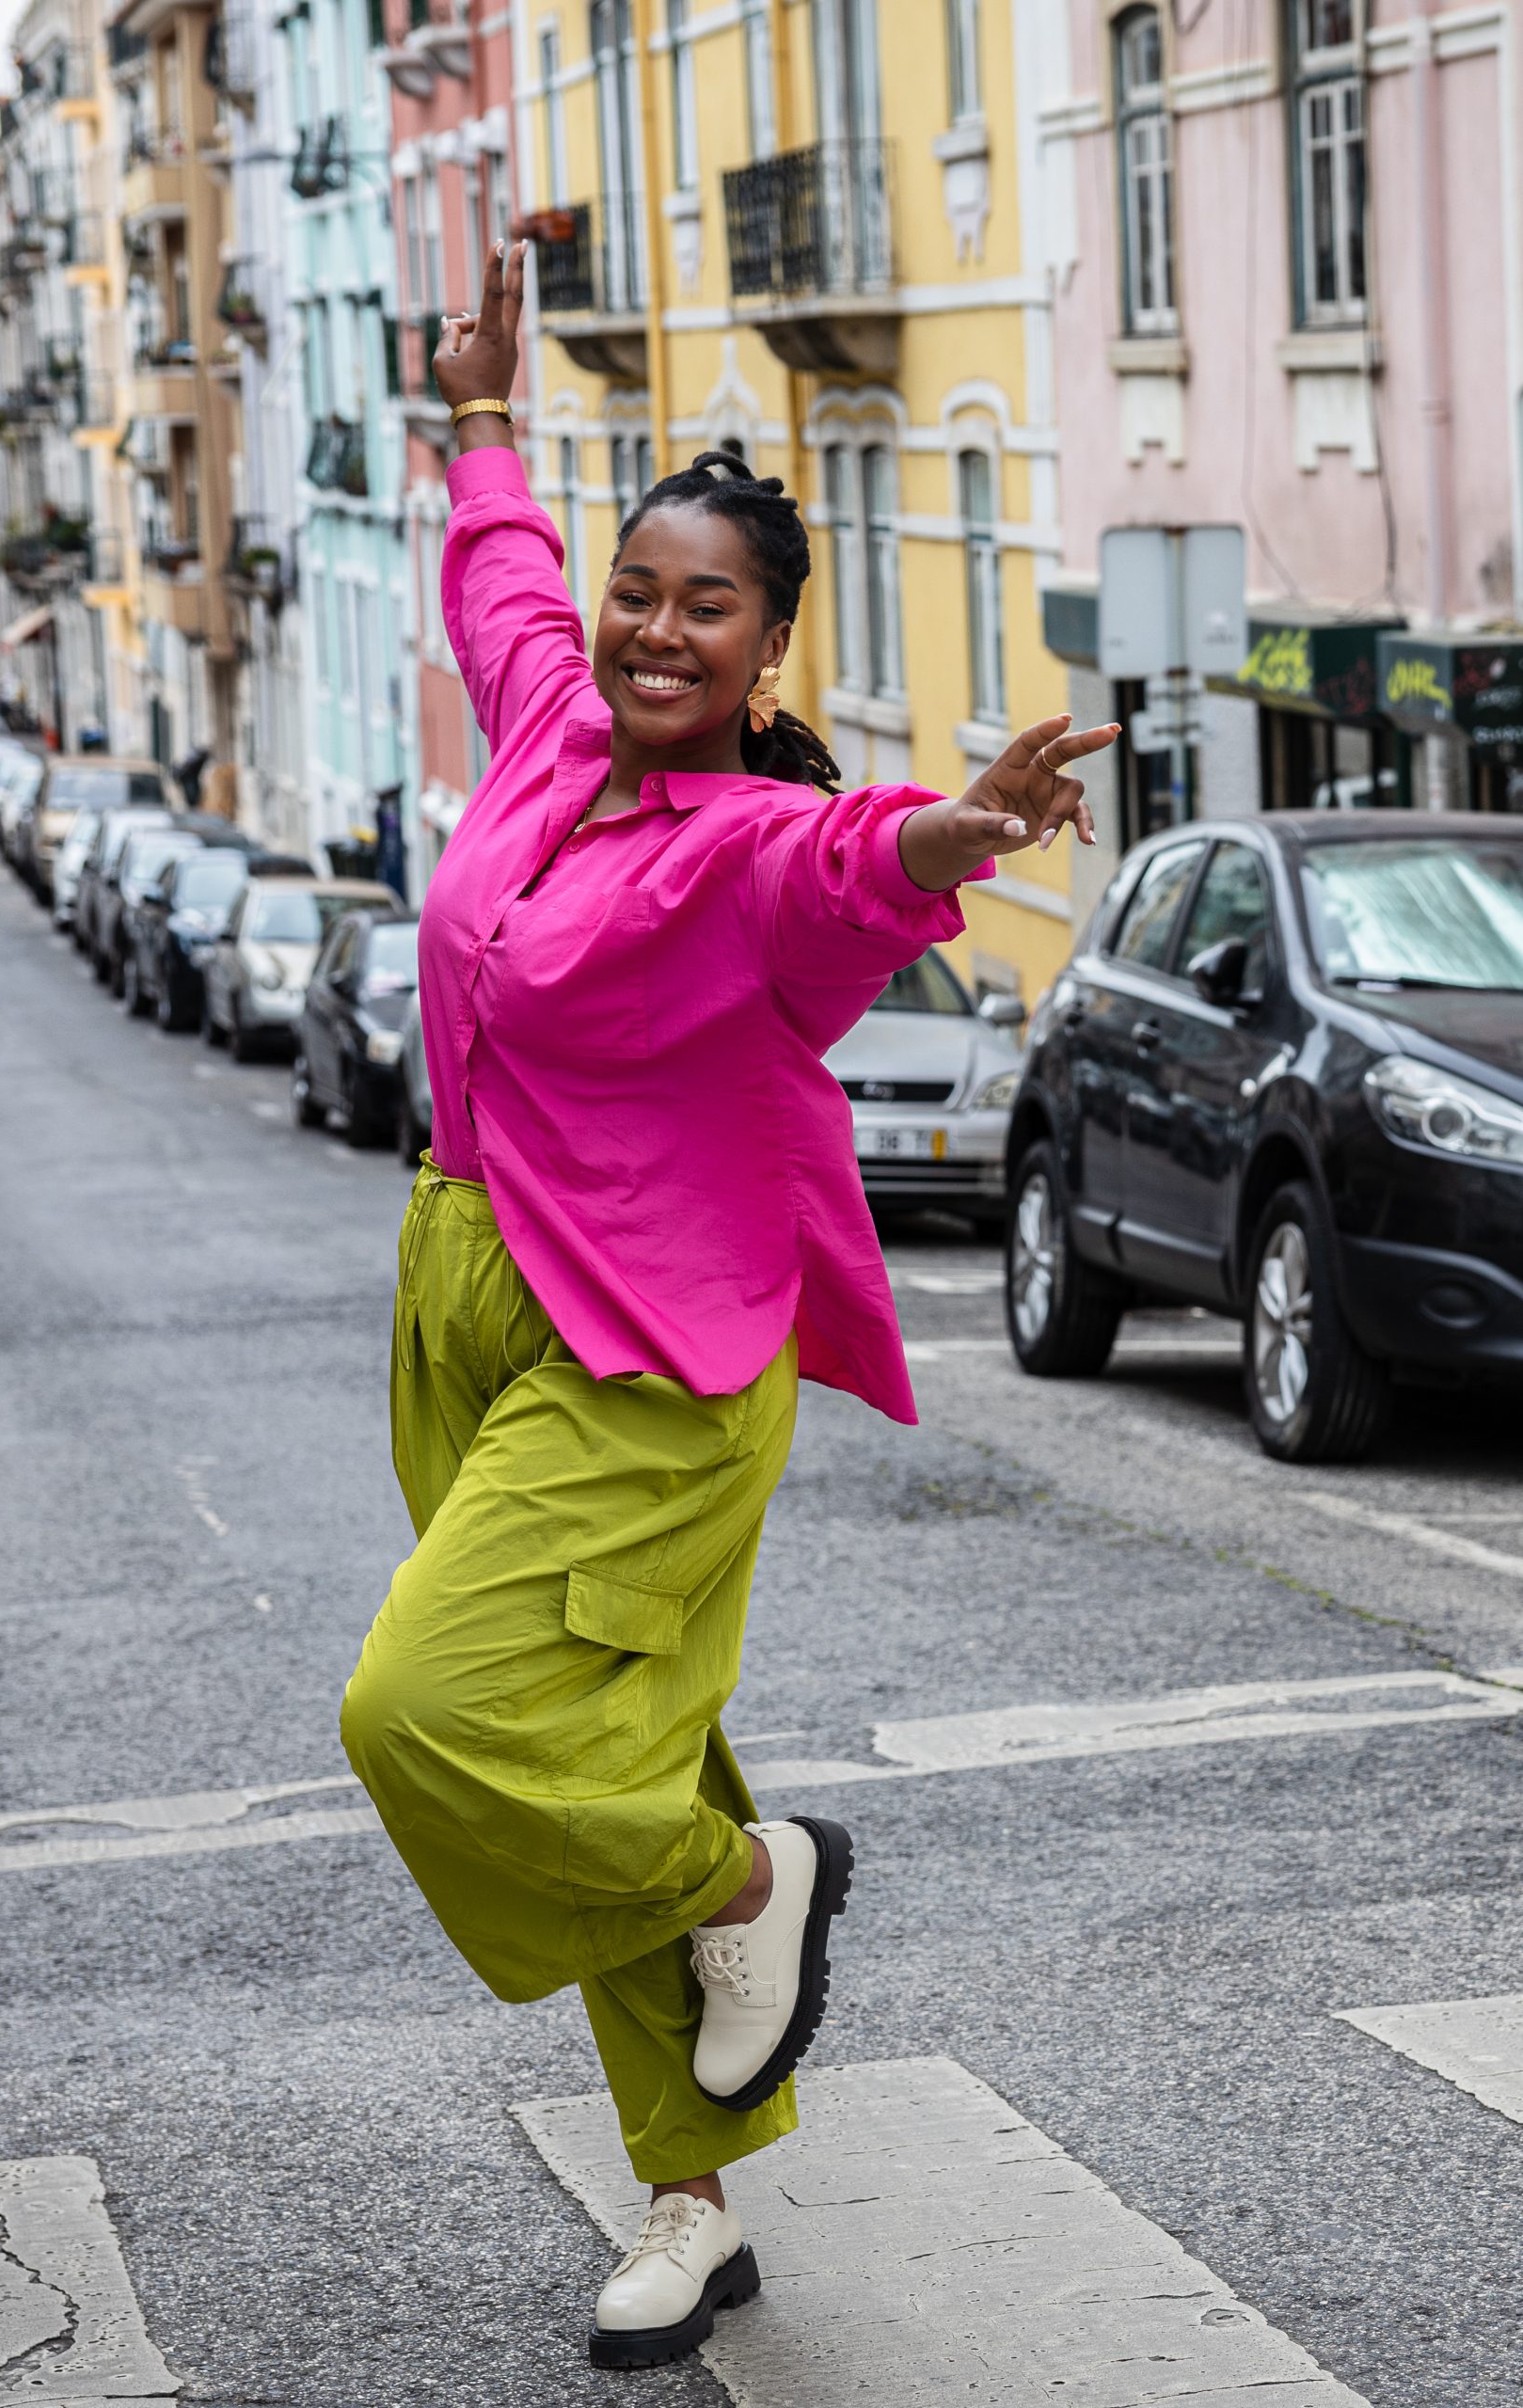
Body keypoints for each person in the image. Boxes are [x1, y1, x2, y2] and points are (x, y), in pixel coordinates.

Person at [341, 242, 1118, 2372]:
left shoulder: (754, 838)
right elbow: (501, 584)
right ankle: (686, 2201)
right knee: (595, 1738)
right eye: (641, 586)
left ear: (776, 641)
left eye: (710, 603)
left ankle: (749, 1883)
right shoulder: (548, 726)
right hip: (469, 1287)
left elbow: (854, 862)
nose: (656, 626)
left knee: (429, 1714)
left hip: (653, 1352)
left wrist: (952, 832)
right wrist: (481, 417)